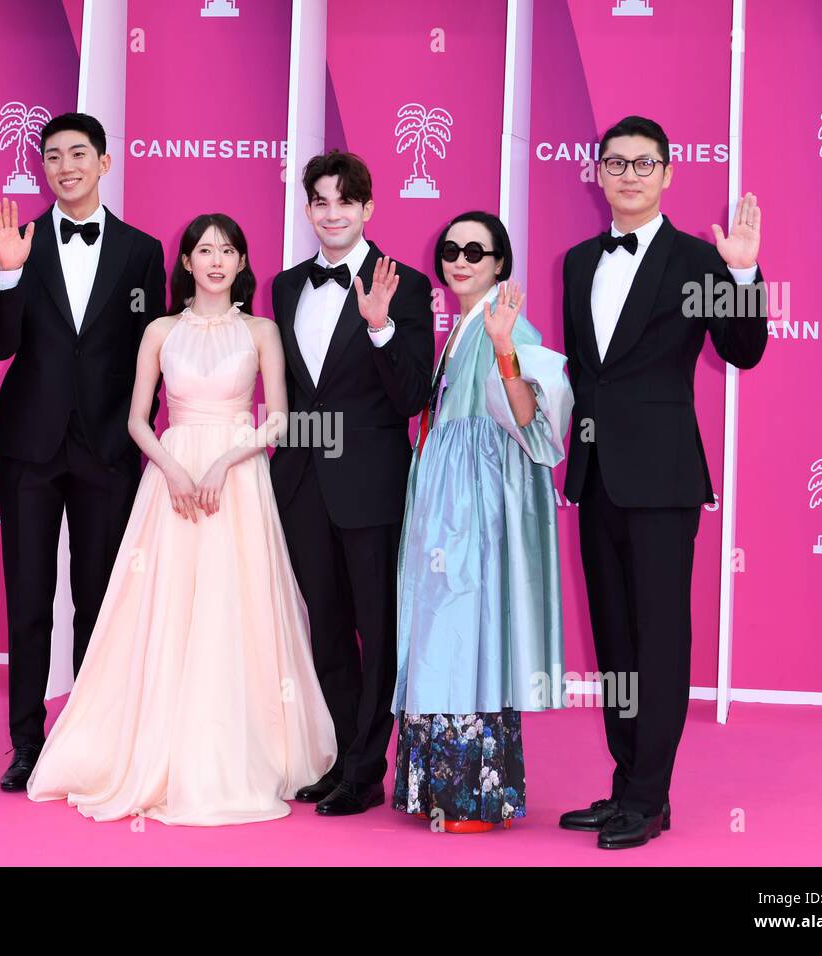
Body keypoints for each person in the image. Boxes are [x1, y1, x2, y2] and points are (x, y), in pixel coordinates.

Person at [26, 214, 336, 824]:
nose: (216, 260)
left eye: (227, 249)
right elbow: (139, 418)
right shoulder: (160, 331)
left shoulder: (263, 330)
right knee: (163, 610)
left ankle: (249, 749)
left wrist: (226, 460)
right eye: (203, 249)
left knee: (236, 608)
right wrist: (170, 467)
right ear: (186, 262)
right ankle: (152, 749)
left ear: (243, 261)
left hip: (238, 479)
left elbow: (278, 417)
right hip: (171, 479)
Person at [557, 116, 766, 848]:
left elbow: (744, 351)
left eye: (644, 164)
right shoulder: (579, 261)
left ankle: (649, 797)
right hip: (597, 474)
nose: (629, 175)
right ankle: (625, 784)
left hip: (665, 477)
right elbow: (587, 375)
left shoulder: (699, 261)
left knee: (659, 638)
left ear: (669, 174)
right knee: (615, 639)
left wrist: (740, 274)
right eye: (616, 163)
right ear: (599, 173)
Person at [0, 112, 167, 792]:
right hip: (31, 448)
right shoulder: (17, 241)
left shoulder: (141, 250)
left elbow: (154, 350)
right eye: (53, 156)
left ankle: (92, 739)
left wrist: (141, 435)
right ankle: (26, 745)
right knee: (30, 599)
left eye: (79, 154)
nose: (66, 166)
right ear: (42, 167)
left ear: (105, 162)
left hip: (109, 451)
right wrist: (7, 275)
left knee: (99, 601)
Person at [392, 212, 573, 832]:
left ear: (501, 263)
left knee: (467, 636)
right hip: (445, 507)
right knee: (444, 636)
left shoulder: (508, 323)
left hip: (477, 511)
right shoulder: (458, 328)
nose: (461, 259)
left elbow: (532, 420)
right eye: (451, 249)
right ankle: (446, 788)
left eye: (477, 250)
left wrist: (504, 350)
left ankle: (473, 794)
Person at [270, 151, 434, 816]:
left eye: (344, 201)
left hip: (369, 481)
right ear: (307, 208)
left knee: (376, 627)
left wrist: (380, 327)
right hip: (301, 480)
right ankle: (340, 758)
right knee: (328, 629)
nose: (331, 213)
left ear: (367, 208)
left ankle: (369, 769)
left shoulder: (408, 283)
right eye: (320, 201)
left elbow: (411, 394)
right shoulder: (284, 287)